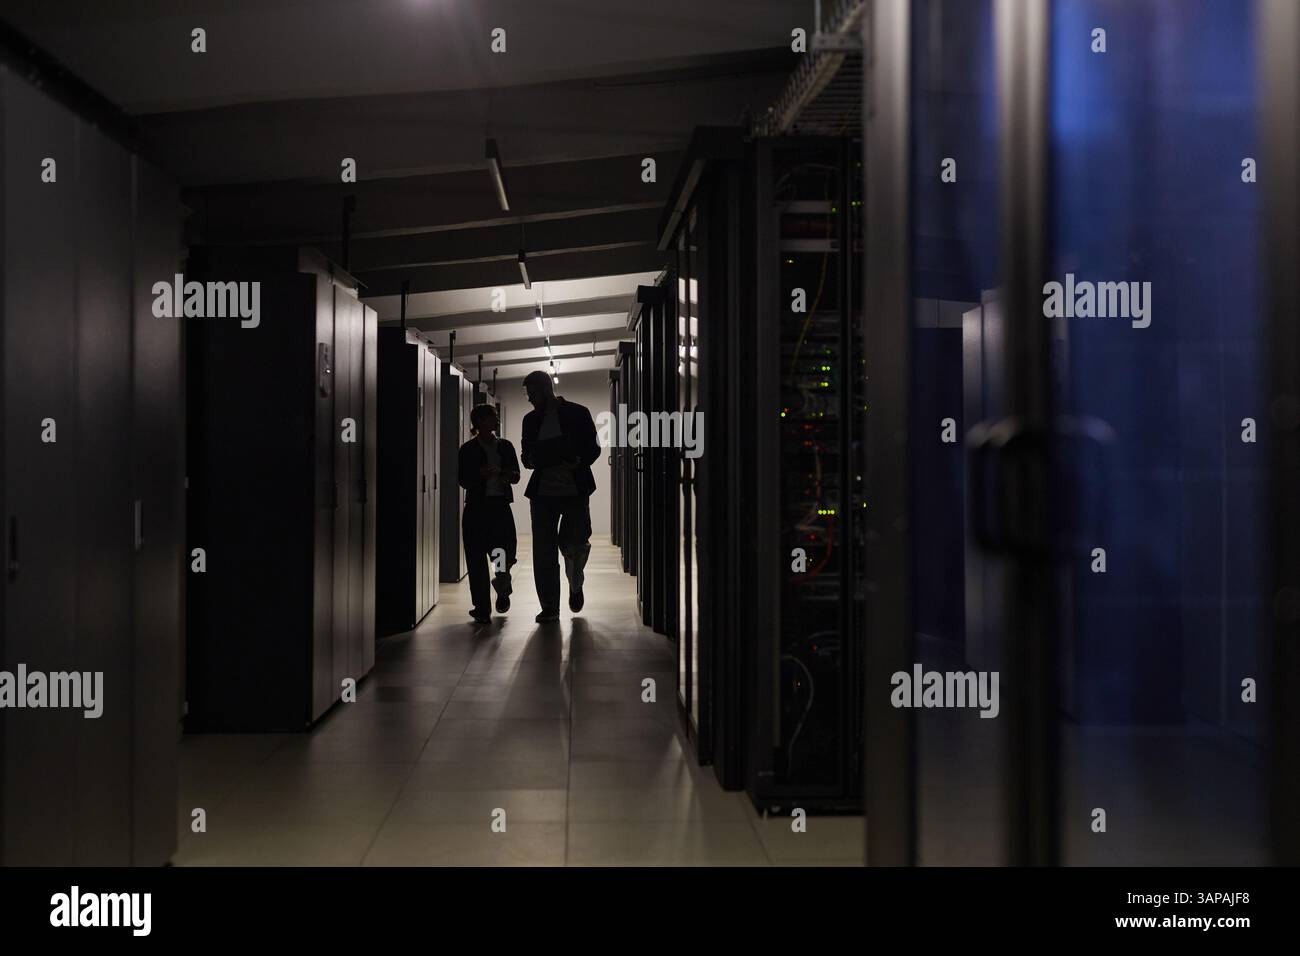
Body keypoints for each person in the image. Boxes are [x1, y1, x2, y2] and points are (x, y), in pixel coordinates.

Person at [519, 370, 600, 623]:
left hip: (574, 489)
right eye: (528, 395)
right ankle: (550, 608)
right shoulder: (530, 420)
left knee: (575, 545)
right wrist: (530, 459)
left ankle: (575, 584)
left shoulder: (578, 412)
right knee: (543, 552)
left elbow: (593, 448)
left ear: (545, 390)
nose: (530, 399)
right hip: (542, 493)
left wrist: (579, 461)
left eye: (533, 394)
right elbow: (526, 455)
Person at [458, 404, 520, 624]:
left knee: (501, 555)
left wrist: (503, 474)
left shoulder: (505, 446)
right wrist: (480, 474)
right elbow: (462, 479)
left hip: (499, 507)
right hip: (476, 508)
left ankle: (502, 589)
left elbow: (516, 476)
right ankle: (481, 607)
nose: (497, 420)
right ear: (480, 421)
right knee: (476, 561)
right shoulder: (467, 449)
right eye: (492, 417)